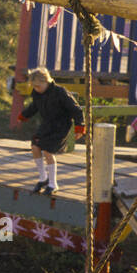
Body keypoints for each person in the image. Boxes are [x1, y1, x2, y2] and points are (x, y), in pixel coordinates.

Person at [18, 67, 85, 199]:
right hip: (47, 124)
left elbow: (76, 110)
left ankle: (53, 184)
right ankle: (43, 177)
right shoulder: (37, 93)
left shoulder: (60, 92)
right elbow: (34, 106)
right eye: (34, 86)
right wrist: (24, 116)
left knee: (48, 150)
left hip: (61, 126)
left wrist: (79, 127)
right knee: (35, 146)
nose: (36, 88)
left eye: (38, 86)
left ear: (46, 81)